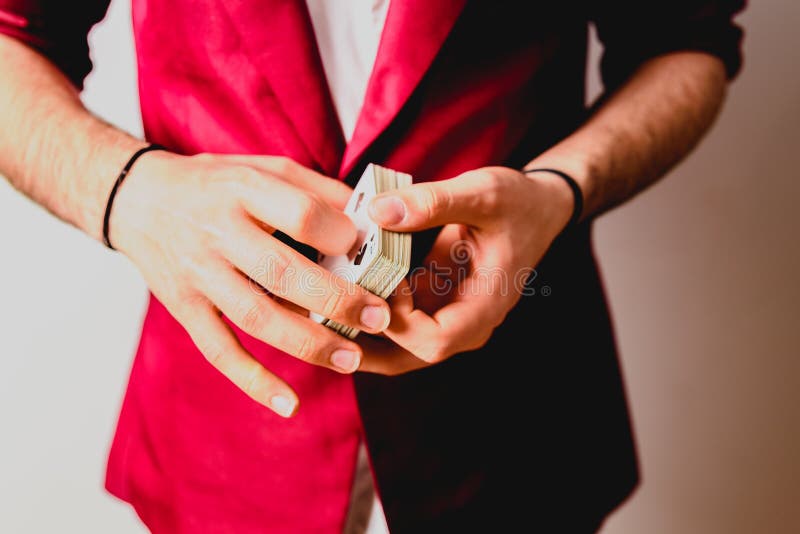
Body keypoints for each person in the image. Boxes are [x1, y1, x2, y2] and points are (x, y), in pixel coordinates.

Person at [0, 1, 745, 532]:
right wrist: (127, 190)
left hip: (516, 427)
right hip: (224, 438)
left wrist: (560, 190)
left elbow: (684, 40)